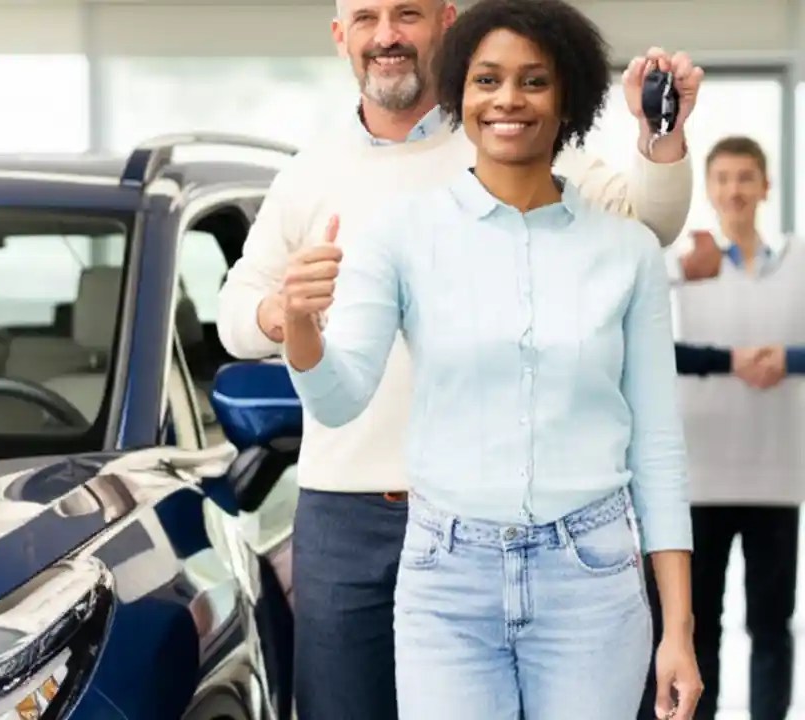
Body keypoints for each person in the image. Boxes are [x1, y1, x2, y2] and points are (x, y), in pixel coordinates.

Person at [214, 0, 703, 716]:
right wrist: (291, 315)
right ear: (340, 35)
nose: (387, 35)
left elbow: (644, 225)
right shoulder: (321, 180)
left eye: (407, 13)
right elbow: (250, 324)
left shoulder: (526, 141)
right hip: (368, 519)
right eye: (368, 18)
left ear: (446, 24)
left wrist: (660, 135)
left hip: (561, 538)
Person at [656, 135, 805, 720]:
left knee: (770, 623)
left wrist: (788, 360)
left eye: (746, 178)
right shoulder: (683, 266)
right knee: (699, 626)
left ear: (766, 186)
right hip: (700, 478)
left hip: (776, 476)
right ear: (709, 189)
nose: (735, 190)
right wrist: (731, 360)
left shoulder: (797, 263)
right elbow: (644, 345)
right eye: (722, 179)